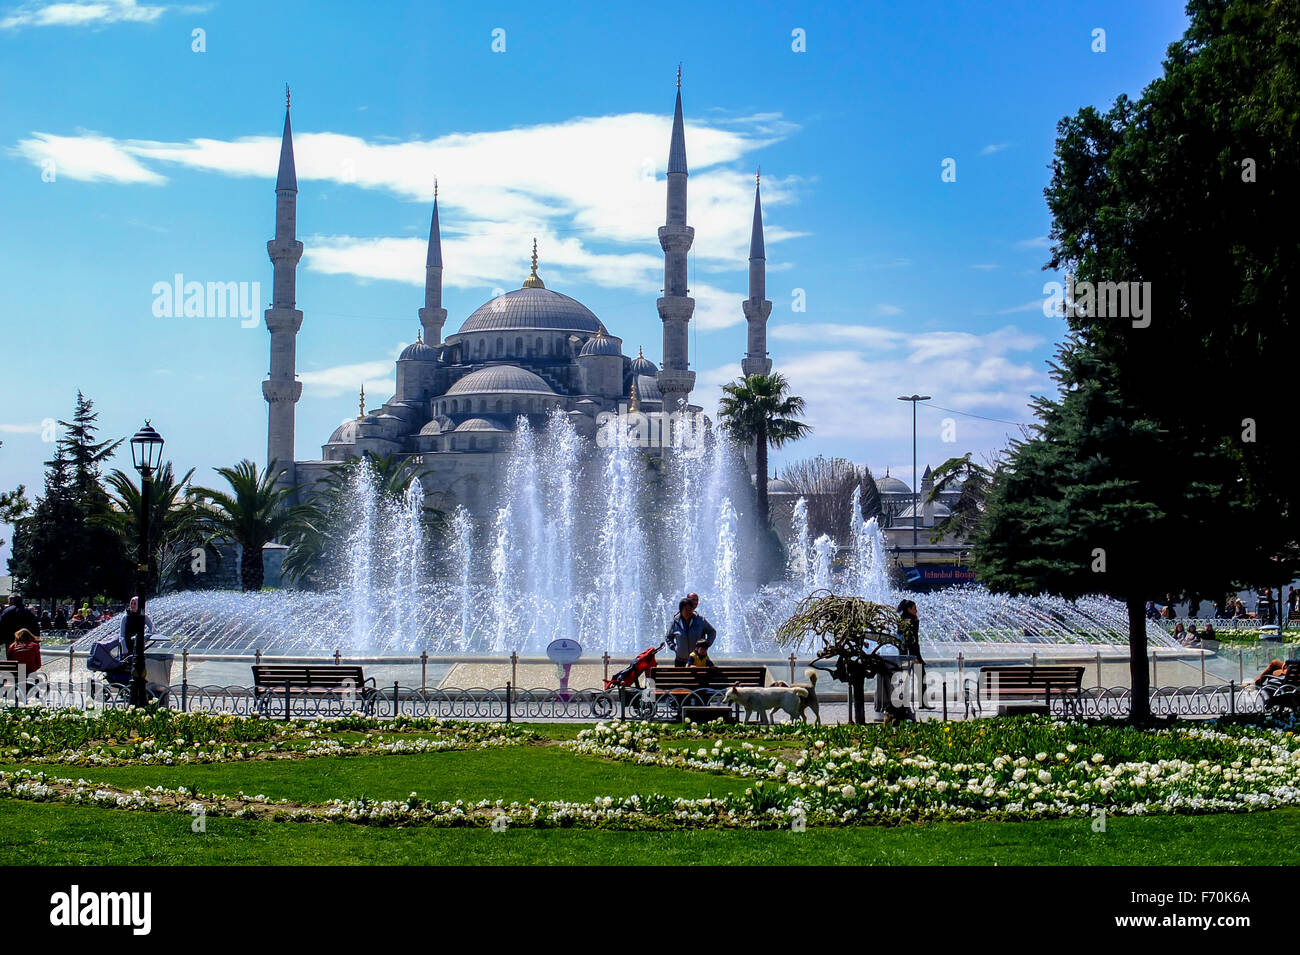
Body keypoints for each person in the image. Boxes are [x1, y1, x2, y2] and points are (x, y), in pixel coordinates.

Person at [897, 599, 931, 710]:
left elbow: (901, 639)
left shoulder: (900, 620)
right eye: (914, 608)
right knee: (921, 678)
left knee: (905, 679)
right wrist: (915, 657)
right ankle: (922, 703)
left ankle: (903, 703)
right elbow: (913, 641)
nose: (916, 611)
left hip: (903, 654)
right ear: (909, 609)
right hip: (913, 655)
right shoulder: (912, 621)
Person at [666, 597, 716, 667]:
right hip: (680, 660)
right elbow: (668, 636)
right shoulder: (675, 622)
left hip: (697, 660)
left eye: (690, 609)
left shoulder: (700, 620)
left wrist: (706, 645)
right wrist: (674, 647)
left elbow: (712, 632)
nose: (688, 612)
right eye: (686, 609)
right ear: (681, 610)